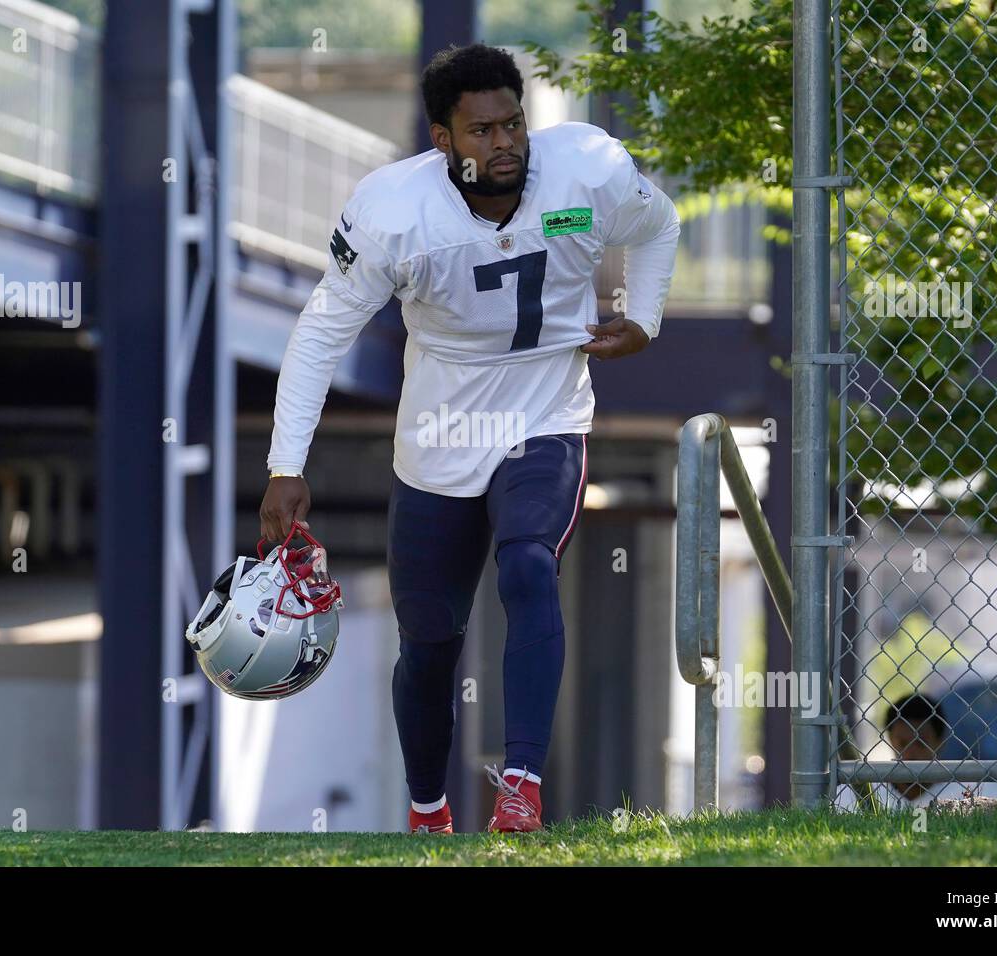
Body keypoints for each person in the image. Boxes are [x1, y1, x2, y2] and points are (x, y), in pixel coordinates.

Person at [259, 43, 681, 833]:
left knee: (528, 565)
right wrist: (287, 464)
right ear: (442, 140)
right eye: (481, 131)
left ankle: (521, 785)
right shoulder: (395, 210)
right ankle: (429, 810)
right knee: (428, 638)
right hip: (440, 430)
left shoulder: (585, 170)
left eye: (512, 124)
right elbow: (321, 334)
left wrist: (645, 319)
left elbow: (660, 222)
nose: (504, 143)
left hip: (545, 414)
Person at [834, 693, 997, 811]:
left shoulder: (972, 792)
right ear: (890, 740)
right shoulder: (858, 792)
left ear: (940, 742)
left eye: (920, 742)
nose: (910, 753)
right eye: (902, 743)